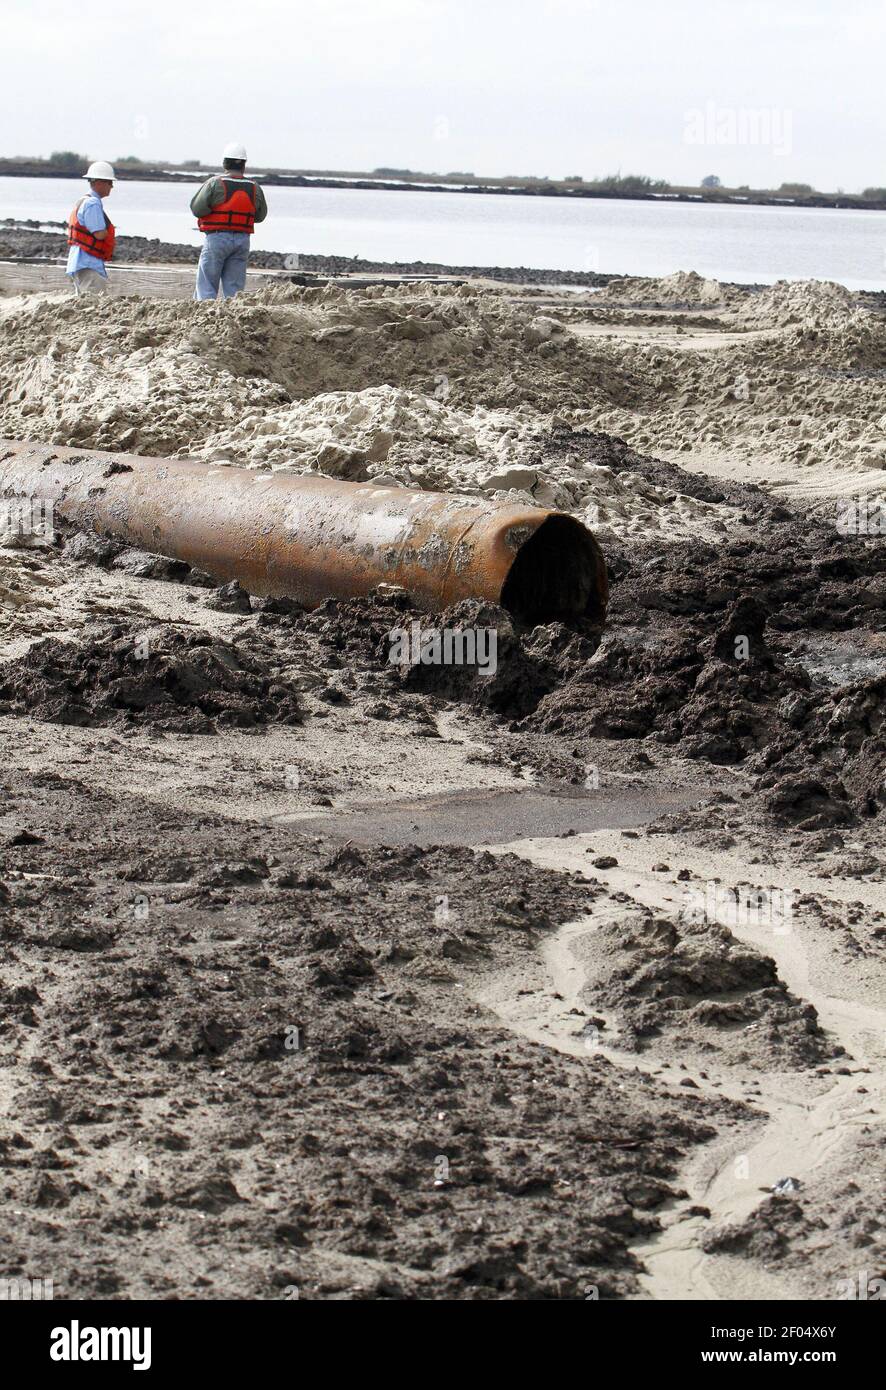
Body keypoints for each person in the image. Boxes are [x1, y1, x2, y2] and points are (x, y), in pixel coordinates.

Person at [190, 143, 268, 300]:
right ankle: (233, 316)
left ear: (225, 162)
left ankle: (206, 315)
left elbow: (197, 209)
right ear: (243, 165)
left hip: (216, 238)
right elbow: (260, 216)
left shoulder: (214, 183)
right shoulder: (254, 187)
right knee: (235, 290)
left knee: (206, 285)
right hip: (242, 241)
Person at [66, 161, 116, 295]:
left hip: (80, 261)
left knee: (83, 301)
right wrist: (107, 232)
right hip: (88, 264)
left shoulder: (83, 200)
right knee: (93, 301)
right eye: (109, 182)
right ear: (99, 182)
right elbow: (99, 234)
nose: (112, 186)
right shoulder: (92, 203)